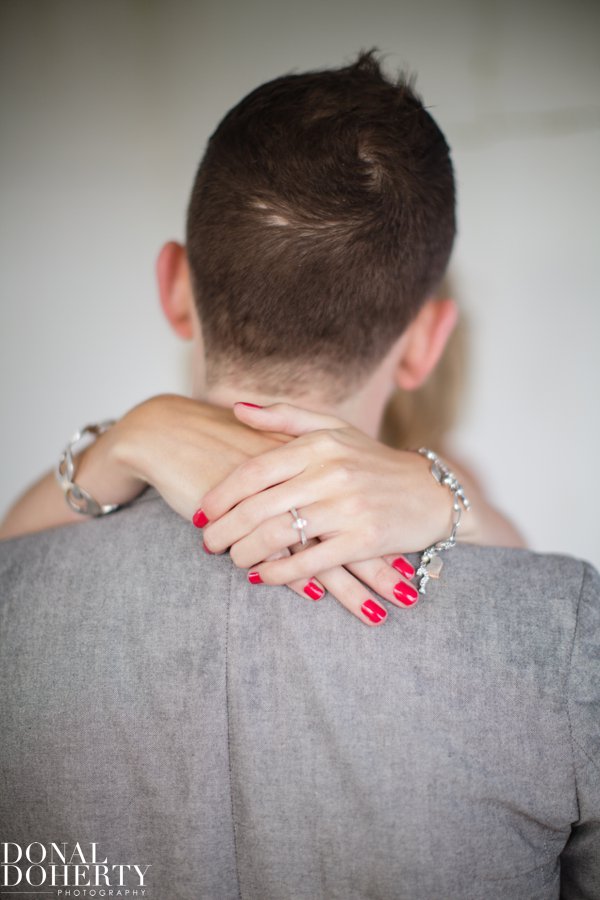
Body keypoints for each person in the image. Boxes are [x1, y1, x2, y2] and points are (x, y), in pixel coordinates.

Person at [0, 52, 598, 898]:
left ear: (175, 287)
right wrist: (447, 496)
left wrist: (123, 442)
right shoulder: (563, 633)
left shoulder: (16, 599)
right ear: (427, 341)